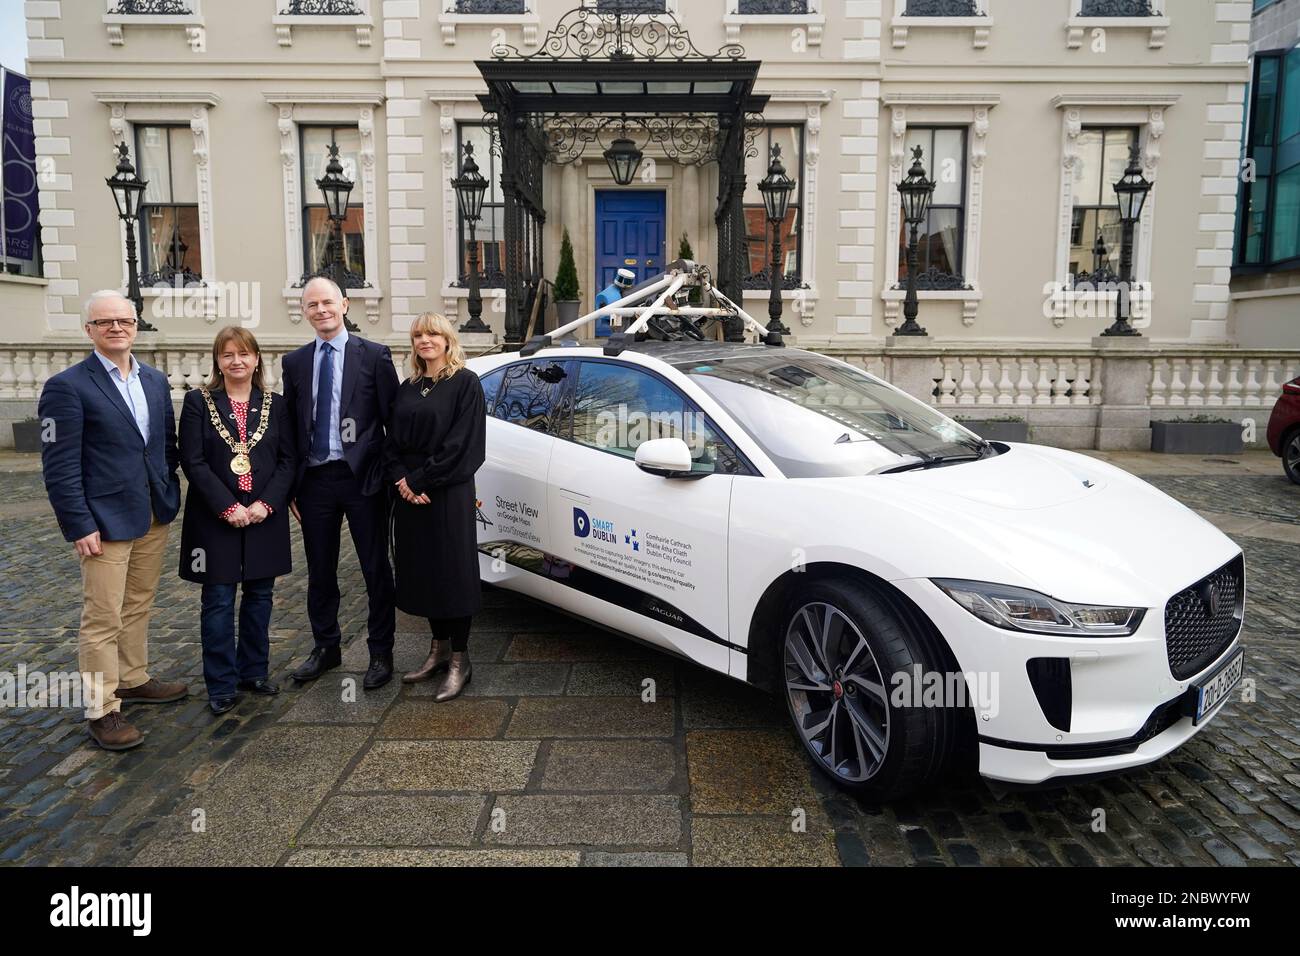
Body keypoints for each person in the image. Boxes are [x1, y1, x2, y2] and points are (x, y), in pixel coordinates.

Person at [38, 290, 187, 751]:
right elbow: (59, 464)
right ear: (89, 331)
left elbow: (162, 445)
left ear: (135, 326)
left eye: (123, 320)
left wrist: (170, 492)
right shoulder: (68, 386)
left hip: (152, 513)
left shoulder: (156, 381)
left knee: (138, 605)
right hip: (103, 520)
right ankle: (102, 708)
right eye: (105, 323)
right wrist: (79, 523)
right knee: (102, 617)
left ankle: (132, 678)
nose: (116, 328)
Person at [280, 277, 400, 689]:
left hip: (362, 480)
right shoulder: (294, 363)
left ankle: (381, 652)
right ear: (305, 311)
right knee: (320, 570)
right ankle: (326, 646)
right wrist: (292, 486)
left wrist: (386, 475)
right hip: (315, 482)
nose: (321, 310)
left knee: (374, 568)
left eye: (327, 302)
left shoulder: (374, 356)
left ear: (344, 305)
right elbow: (292, 428)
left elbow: (393, 424)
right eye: (312, 305)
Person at [178, 327, 296, 715]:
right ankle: (222, 683)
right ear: (218, 361)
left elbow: (287, 460)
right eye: (228, 355)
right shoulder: (198, 402)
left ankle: (254, 671)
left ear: (257, 359)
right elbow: (192, 461)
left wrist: (267, 504)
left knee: (260, 597)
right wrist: (227, 506)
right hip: (215, 518)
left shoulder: (275, 404)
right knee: (218, 601)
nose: (236, 361)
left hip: (264, 516)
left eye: (244, 354)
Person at [383, 313, 486, 701]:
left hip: (447, 491)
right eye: (418, 335)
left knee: (451, 573)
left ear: (447, 340)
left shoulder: (465, 384)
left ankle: (460, 659)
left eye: (433, 333)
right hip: (409, 492)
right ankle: (438, 648)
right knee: (423, 572)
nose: (425, 340)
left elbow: (464, 444)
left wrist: (420, 480)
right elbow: (390, 441)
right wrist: (402, 482)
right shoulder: (408, 386)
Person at [593, 268, 635, 337]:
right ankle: (618, 336)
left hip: (616, 311)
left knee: (618, 327)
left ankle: (618, 336)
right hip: (615, 312)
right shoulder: (613, 292)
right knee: (617, 327)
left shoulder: (613, 289)